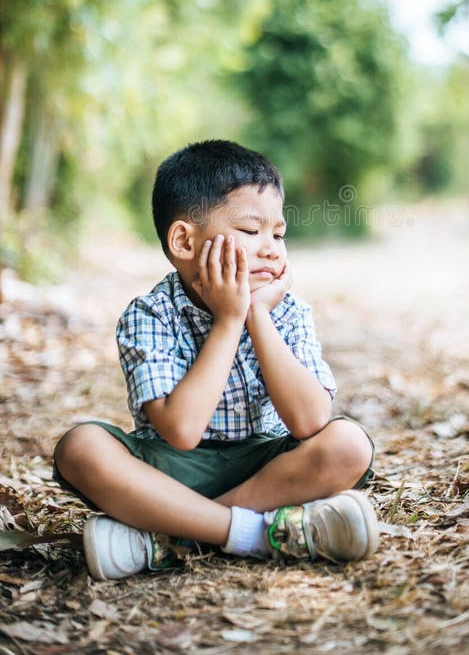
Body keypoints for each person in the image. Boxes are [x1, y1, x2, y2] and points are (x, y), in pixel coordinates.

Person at [54, 140, 379, 580]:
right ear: (185, 240)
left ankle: (165, 538)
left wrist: (257, 314)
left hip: (268, 470)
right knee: (81, 448)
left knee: (348, 444)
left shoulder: (288, 311)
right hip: (169, 472)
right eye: (251, 231)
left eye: (278, 234)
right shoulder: (150, 315)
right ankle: (260, 535)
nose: (271, 248)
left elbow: (308, 421)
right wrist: (228, 321)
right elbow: (182, 431)